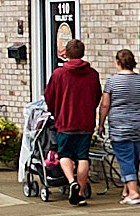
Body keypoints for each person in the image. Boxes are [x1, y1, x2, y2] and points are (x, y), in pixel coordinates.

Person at [44, 37, 105, 205]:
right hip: (85, 122)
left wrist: (55, 111)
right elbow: (96, 96)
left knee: (65, 155)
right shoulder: (92, 74)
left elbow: (49, 97)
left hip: (65, 121)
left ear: (67, 54)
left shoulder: (58, 74)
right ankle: (81, 193)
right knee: (83, 157)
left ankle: (72, 182)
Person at [100, 46, 140, 204]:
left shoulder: (112, 82)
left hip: (120, 125)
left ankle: (134, 192)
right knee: (133, 156)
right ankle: (127, 189)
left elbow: (105, 105)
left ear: (118, 63)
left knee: (125, 158)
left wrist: (100, 123)